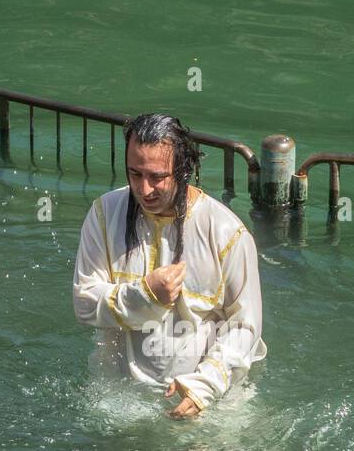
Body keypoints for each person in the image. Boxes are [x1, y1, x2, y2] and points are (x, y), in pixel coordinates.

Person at [71, 113, 267, 418]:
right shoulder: (103, 214)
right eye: (134, 174)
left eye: (157, 177)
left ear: (183, 170)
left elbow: (245, 326)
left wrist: (205, 386)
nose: (144, 189)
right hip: (119, 396)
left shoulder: (227, 232)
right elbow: (84, 304)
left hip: (207, 401)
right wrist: (145, 294)